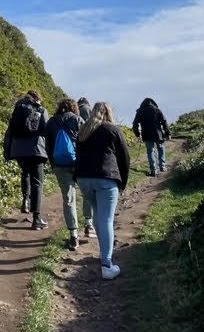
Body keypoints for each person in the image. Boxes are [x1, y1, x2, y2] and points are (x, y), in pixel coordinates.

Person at [74, 101, 131, 280]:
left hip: (84, 179)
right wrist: (122, 181)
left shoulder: (83, 131)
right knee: (106, 220)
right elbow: (125, 157)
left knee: (98, 216)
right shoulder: (113, 130)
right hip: (106, 179)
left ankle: (103, 253)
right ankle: (106, 264)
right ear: (108, 113)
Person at [44, 98, 87, 250]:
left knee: (68, 199)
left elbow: (47, 145)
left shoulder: (51, 122)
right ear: (74, 108)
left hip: (59, 165)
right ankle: (89, 224)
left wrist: (53, 163)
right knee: (87, 193)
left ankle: (73, 235)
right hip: (78, 163)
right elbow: (85, 142)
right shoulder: (78, 120)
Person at [3, 90, 49, 230]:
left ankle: (26, 201)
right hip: (36, 150)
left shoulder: (18, 108)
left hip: (19, 150)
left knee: (25, 173)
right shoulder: (40, 109)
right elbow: (45, 129)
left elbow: (10, 130)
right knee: (37, 182)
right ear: (38, 99)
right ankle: (37, 218)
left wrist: (8, 150)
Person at [131, 97, 171, 176]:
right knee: (161, 149)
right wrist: (167, 133)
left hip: (147, 135)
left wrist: (137, 134)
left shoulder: (140, 111)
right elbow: (164, 121)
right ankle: (162, 166)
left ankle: (153, 170)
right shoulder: (157, 110)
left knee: (150, 151)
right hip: (158, 134)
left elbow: (135, 124)